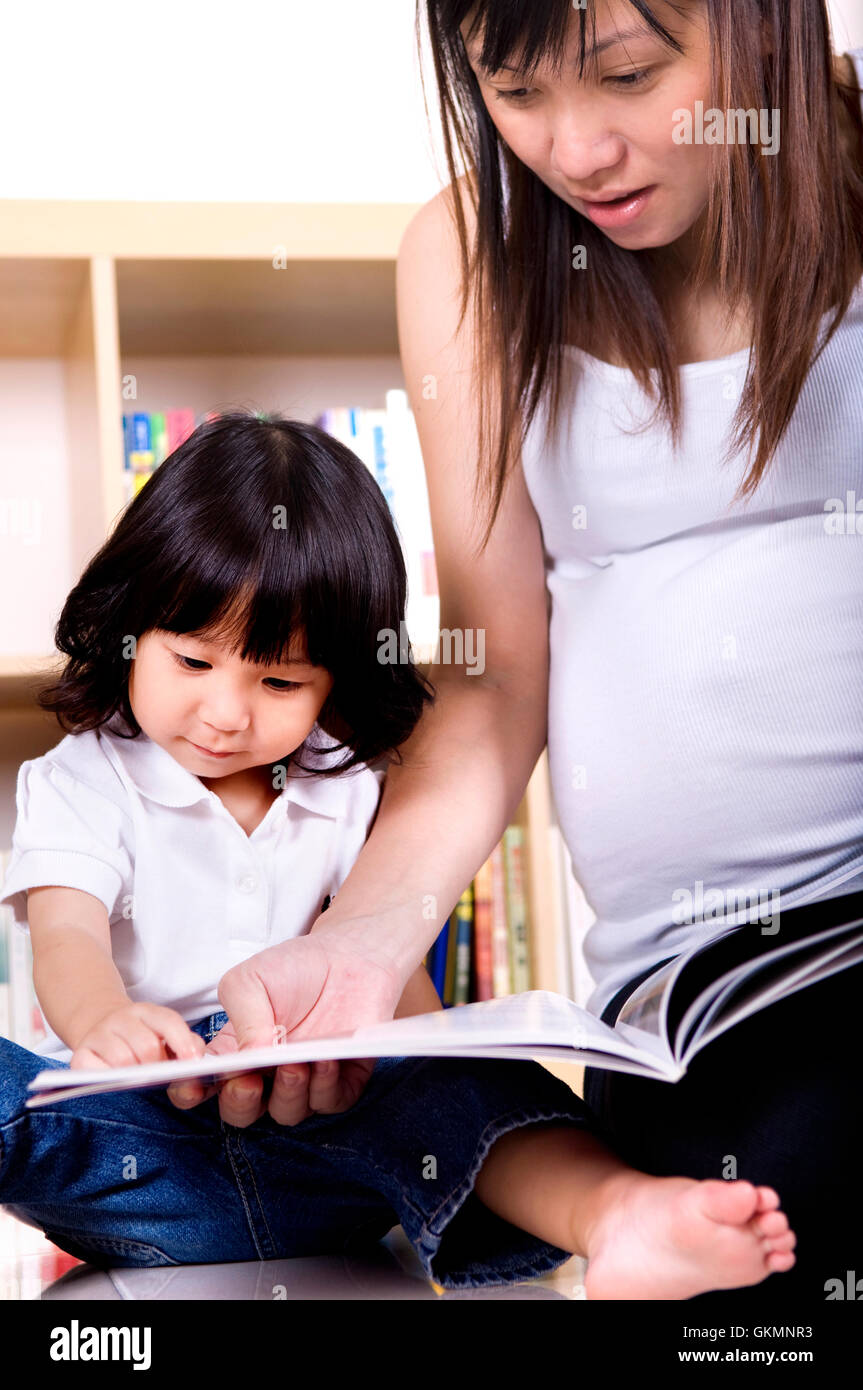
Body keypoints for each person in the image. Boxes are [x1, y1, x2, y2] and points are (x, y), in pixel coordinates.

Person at [159, 2, 863, 1305]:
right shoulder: (464, 254)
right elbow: (494, 674)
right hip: (682, 999)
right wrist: (364, 937)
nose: (575, 149)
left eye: (626, 75)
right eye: (513, 89)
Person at [0, 411, 797, 1297]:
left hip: (335, 1154)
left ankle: (617, 1217)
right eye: (191, 661)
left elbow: (394, 987)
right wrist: (104, 1024)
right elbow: (64, 935)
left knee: (460, 1080)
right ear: (127, 630)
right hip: (138, 1153)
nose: (227, 714)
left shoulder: (349, 788)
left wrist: (414, 1057)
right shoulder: (81, 779)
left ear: (338, 679)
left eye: (280, 681)